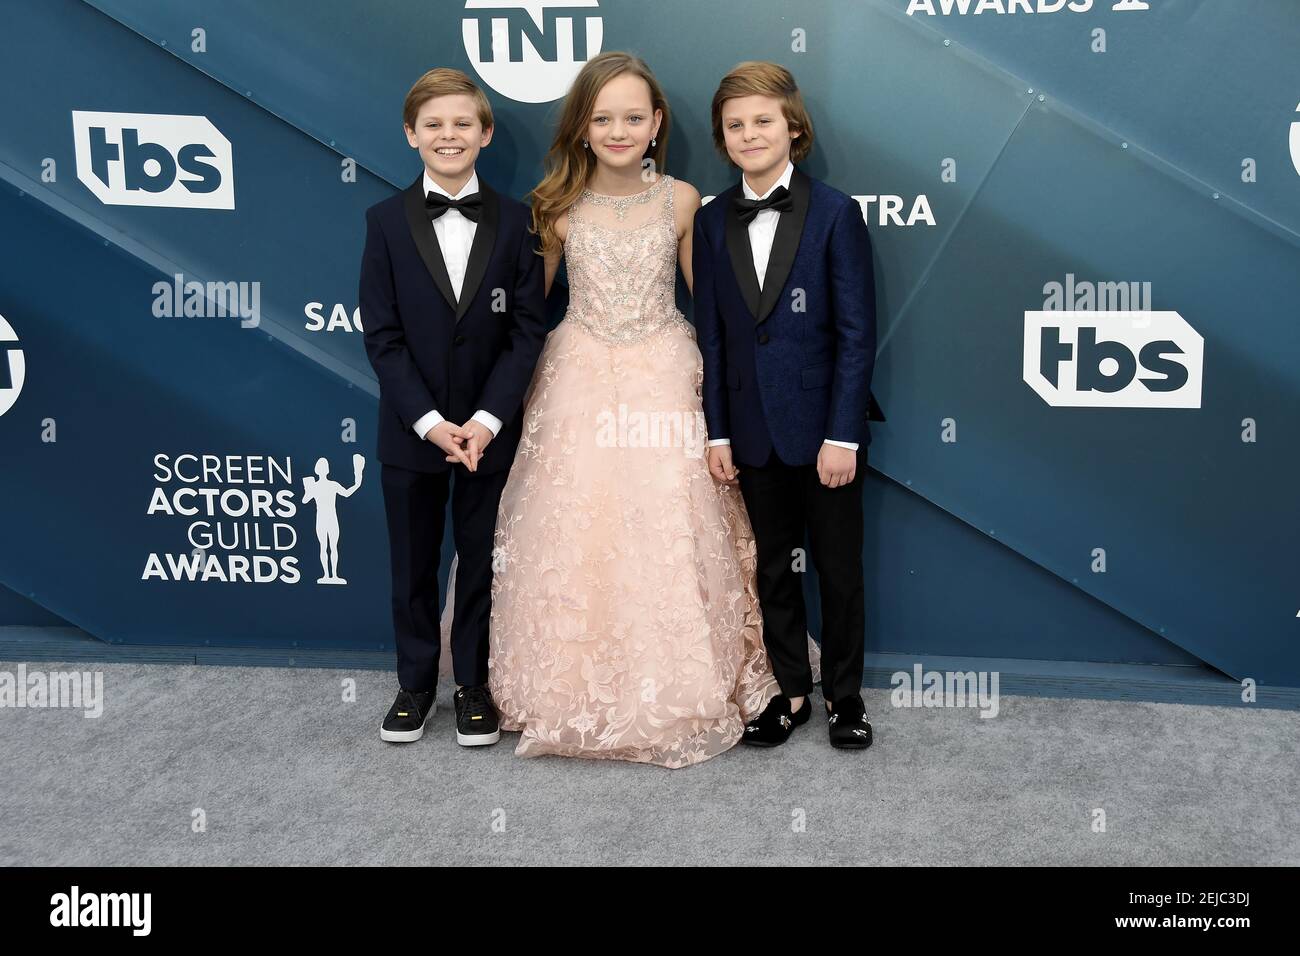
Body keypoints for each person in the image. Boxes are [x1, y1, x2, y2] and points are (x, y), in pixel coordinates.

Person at [478, 51, 809, 768]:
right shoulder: (556, 205)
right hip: (576, 382)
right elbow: (527, 315)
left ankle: (681, 681)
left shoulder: (684, 201)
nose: (619, 129)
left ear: (658, 123)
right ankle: (566, 689)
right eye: (603, 118)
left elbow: (715, 310)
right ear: (582, 127)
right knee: (576, 532)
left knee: (670, 528)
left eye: (634, 116)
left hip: (665, 372)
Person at [693, 61, 883, 750]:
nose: (749, 134)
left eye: (762, 121)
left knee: (838, 569)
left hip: (824, 431)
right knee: (771, 565)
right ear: (722, 136)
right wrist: (718, 433)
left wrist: (844, 434)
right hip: (749, 429)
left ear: (793, 128)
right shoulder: (712, 222)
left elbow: (857, 333)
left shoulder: (834, 213)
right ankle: (790, 692)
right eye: (735, 124)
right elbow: (711, 337)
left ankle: (846, 696)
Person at [360, 68, 546, 746]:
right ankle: (414, 686)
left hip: (489, 436)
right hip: (413, 435)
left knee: (480, 562)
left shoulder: (520, 222)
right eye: (433, 124)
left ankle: (473, 686)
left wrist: (487, 420)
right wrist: (432, 423)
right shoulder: (383, 222)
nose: (448, 135)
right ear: (412, 135)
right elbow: (381, 336)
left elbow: (528, 331)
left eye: (462, 123)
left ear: (486, 133)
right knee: (412, 565)